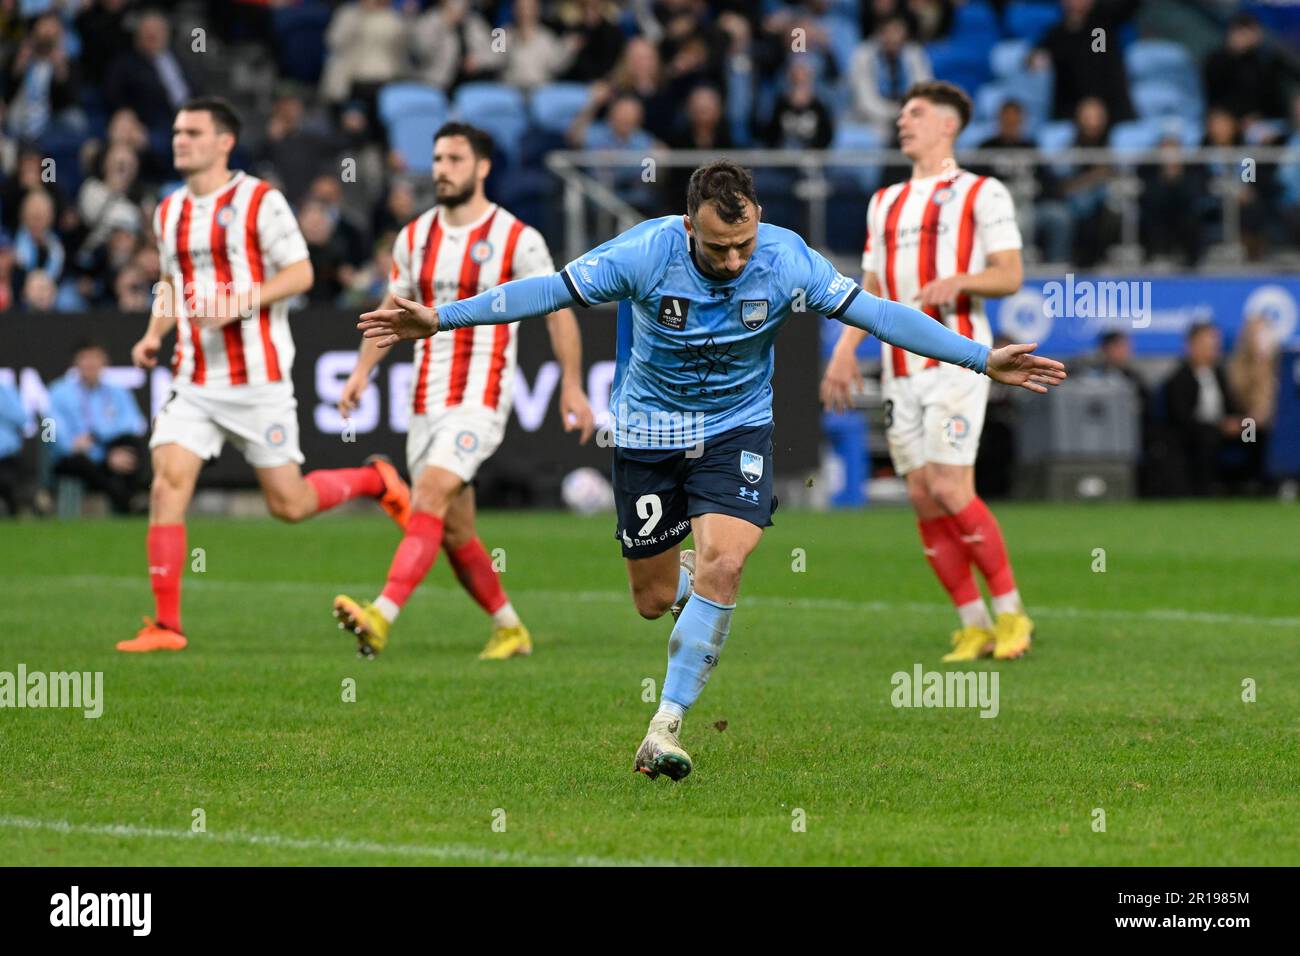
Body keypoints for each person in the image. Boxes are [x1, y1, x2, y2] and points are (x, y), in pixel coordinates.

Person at [356, 159, 1066, 780]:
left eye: (743, 245)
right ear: (689, 228)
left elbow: (879, 314)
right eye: (718, 249)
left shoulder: (787, 258)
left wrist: (982, 357)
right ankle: (685, 583)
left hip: (736, 431)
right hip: (647, 433)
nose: (733, 262)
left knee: (725, 565)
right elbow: (545, 292)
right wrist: (441, 318)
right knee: (652, 597)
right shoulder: (644, 252)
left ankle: (664, 726)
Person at [121, 97, 412, 654]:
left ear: (224, 142)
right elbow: (169, 282)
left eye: (193, 132)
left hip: (258, 379)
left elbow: (302, 273)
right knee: (167, 482)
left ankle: (375, 480)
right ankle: (166, 625)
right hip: (194, 378)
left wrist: (238, 302)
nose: (180, 140)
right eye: (177, 131)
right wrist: (153, 335)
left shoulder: (259, 200)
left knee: (290, 505)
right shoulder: (168, 211)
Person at [332, 122, 595, 661]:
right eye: (437, 159)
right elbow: (392, 311)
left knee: (426, 496)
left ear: (482, 168)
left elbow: (557, 310)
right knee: (454, 530)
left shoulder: (517, 238)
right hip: (426, 402)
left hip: (481, 398)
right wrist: (361, 373)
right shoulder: (414, 237)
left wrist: (571, 383)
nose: (441, 170)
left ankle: (380, 616)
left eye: (454, 159)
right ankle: (510, 628)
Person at [821, 81, 1036, 664]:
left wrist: (960, 281)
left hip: (961, 357)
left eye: (915, 113)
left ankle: (1013, 613)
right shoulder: (884, 201)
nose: (902, 122)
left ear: (949, 125)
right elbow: (871, 289)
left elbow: (1010, 273)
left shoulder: (982, 193)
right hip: (897, 368)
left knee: (948, 486)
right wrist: (845, 350)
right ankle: (974, 624)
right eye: (901, 114)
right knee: (920, 494)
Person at [47, 341, 148, 515]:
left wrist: (99, 439)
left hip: (108, 451)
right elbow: (46, 432)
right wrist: (72, 445)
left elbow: (135, 423)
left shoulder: (117, 392)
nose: (91, 364)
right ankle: (129, 502)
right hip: (72, 457)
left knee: (132, 445)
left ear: (105, 361)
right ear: (76, 363)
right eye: (85, 358)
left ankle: (135, 496)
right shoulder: (58, 391)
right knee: (82, 462)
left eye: (95, 358)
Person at [1162, 321, 1241, 496]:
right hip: (1195, 433)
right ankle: (1208, 487)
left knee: (1251, 434)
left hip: (1224, 429)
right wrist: (1219, 426)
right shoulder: (1179, 378)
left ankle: (1249, 484)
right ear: (1192, 346)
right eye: (1207, 344)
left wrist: (1240, 421)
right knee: (1208, 438)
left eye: (1214, 344)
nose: (1213, 348)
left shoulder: (1220, 374)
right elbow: (1181, 418)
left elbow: (1231, 406)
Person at [0, 377, 25, 515]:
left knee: (7, 482)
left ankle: (15, 514)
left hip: (5, 456)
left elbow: (22, 417)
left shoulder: (5, 391)